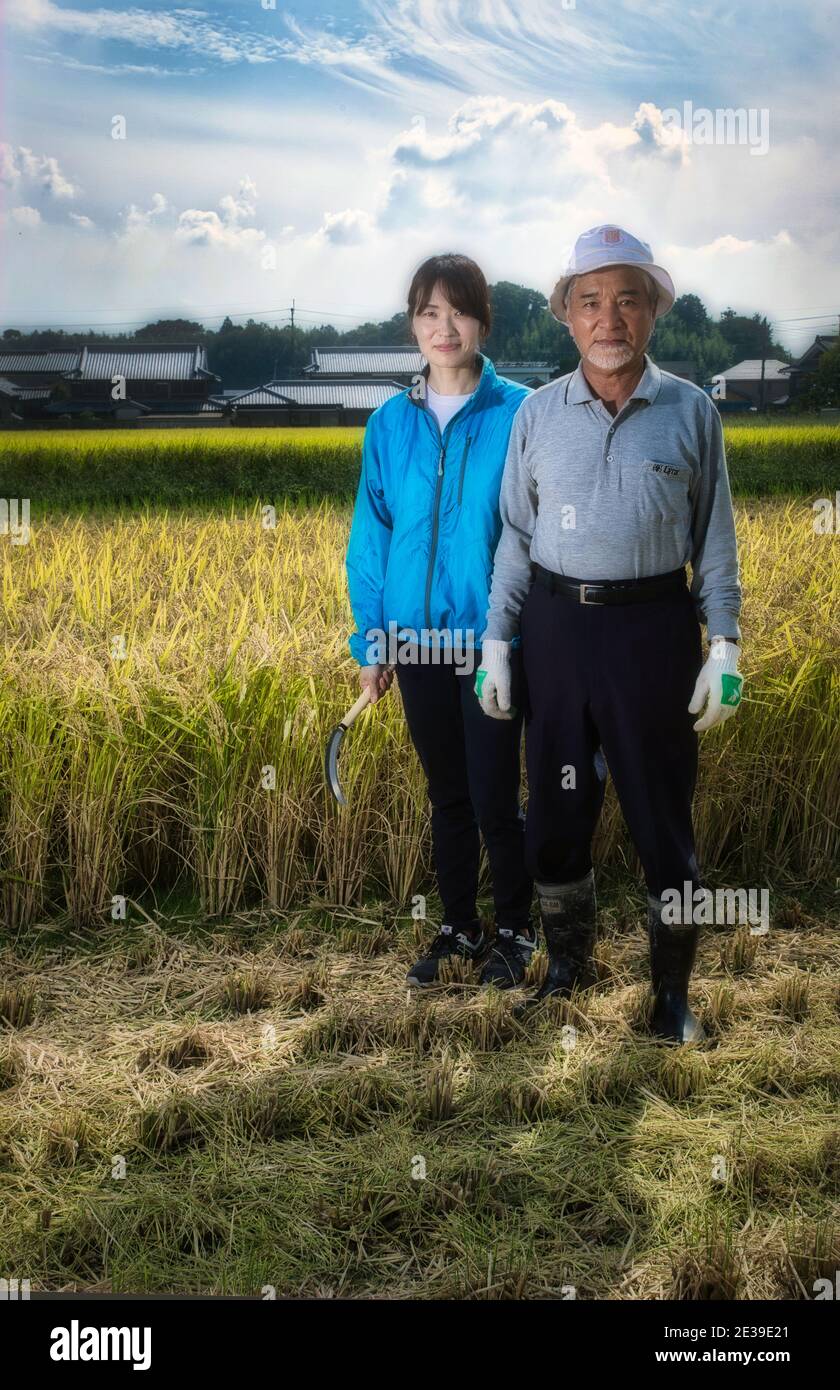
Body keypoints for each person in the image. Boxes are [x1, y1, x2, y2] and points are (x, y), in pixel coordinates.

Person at [475, 225, 744, 1043]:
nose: (609, 316)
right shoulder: (539, 415)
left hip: (655, 631)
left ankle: (671, 997)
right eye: (590, 300)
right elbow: (516, 537)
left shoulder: (692, 412)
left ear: (654, 308)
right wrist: (497, 641)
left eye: (628, 297)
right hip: (556, 633)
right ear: (566, 315)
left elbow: (716, 540)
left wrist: (724, 644)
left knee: (664, 818)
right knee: (556, 815)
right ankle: (566, 969)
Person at [345, 253, 536, 989]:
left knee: (494, 795)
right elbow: (373, 535)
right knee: (447, 795)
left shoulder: (521, 411)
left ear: (483, 320)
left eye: (458, 310)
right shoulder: (390, 423)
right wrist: (374, 638)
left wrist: (516, 637)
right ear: (413, 325)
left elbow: (532, 531)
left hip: (492, 643)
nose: (443, 326)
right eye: (429, 312)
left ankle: (517, 932)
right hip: (416, 644)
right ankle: (460, 925)